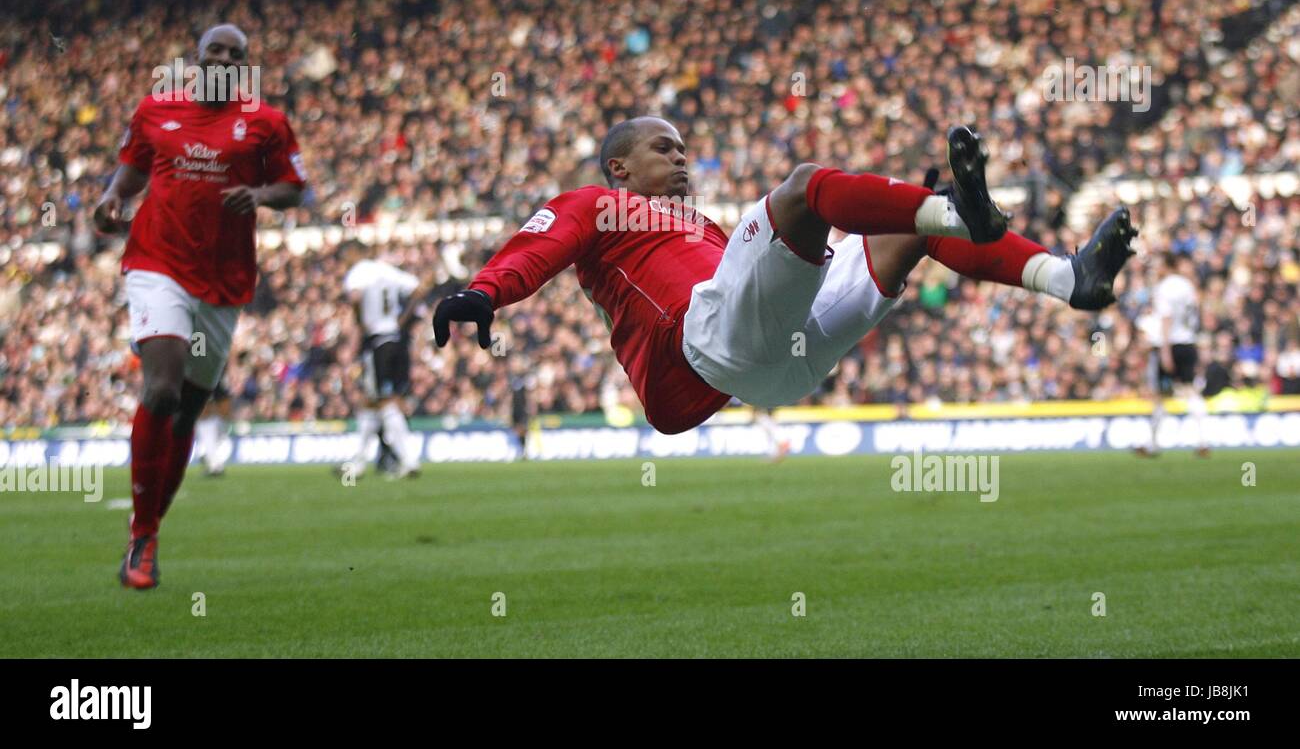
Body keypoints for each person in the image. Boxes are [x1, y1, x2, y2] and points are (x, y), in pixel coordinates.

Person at [434, 117, 1137, 434]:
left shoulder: (703, 230)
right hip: (714, 344)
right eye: (662, 148)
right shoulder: (599, 205)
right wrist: (481, 292)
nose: (681, 160)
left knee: (906, 234)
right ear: (620, 168)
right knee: (803, 189)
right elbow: (541, 245)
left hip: (780, 360)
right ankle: (958, 213)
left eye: (684, 149)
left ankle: (1066, 279)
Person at [94, 23, 307, 589]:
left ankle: (146, 532)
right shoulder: (155, 110)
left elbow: (294, 189)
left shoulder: (266, 122)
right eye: (214, 49)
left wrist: (260, 195)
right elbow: (134, 169)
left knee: (188, 410)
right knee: (161, 388)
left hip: (223, 279)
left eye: (235, 53)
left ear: (243, 65)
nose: (223, 58)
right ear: (196, 57)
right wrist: (114, 195)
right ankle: (144, 535)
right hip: (156, 262)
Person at [341, 246, 425, 479]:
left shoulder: (359, 271)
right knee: (376, 400)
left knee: (381, 401)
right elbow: (419, 288)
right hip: (397, 339)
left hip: (377, 341)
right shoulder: (389, 271)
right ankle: (358, 461)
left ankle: (407, 460)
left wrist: (360, 321)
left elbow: (355, 297)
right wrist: (402, 319)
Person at [1138, 252, 1207, 457]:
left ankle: (1152, 444)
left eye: (1158, 265)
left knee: (1161, 395)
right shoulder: (1188, 286)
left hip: (1172, 343)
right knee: (1191, 391)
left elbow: (1166, 319)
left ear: (1166, 266)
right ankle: (1203, 440)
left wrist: (1165, 350)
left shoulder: (1164, 288)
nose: (1155, 269)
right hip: (1188, 342)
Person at [194, 381, 233, 477]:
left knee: (208, 439)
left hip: (211, 416)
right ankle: (214, 465)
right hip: (216, 416)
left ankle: (215, 466)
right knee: (209, 442)